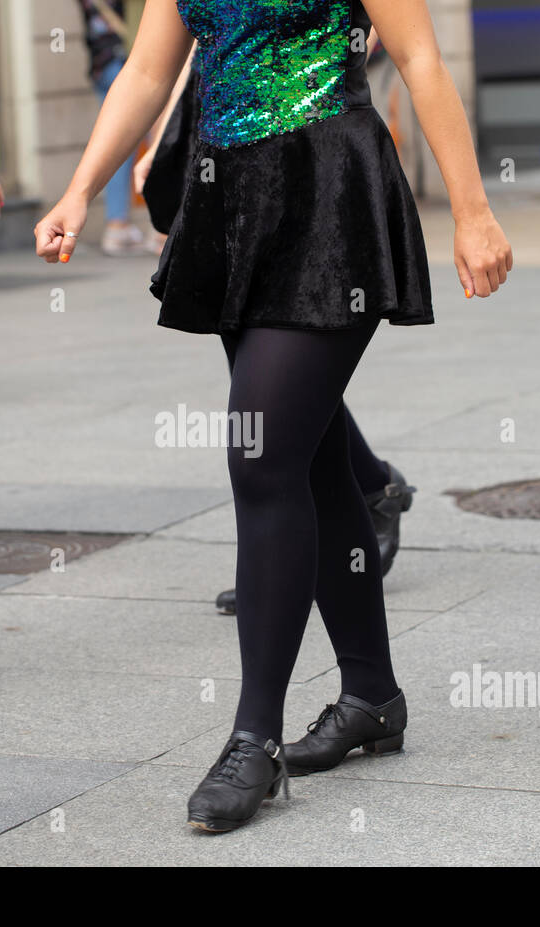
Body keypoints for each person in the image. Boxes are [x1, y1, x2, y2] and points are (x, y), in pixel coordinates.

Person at [37, 0, 512, 831]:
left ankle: (252, 738)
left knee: (261, 461)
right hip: (233, 204)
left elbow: (424, 60)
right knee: (314, 462)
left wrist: (473, 212)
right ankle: (371, 694)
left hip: (332, 198)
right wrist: (79, 189)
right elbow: (149, 74)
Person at [136, 41, 418, 618]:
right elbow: (191, 41)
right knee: (269, 378)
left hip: (314, 142)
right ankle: (295, 547)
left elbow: (411, 46)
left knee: (275, 408)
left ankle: (298, 545)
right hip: (225, 136)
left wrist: (473, 213)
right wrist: (165, 135)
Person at [76, 0, 151, 256]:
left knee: (118, 139)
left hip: (103, 64)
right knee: (156, 136)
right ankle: (163, 226)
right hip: (124, 60)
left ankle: (117, 222)